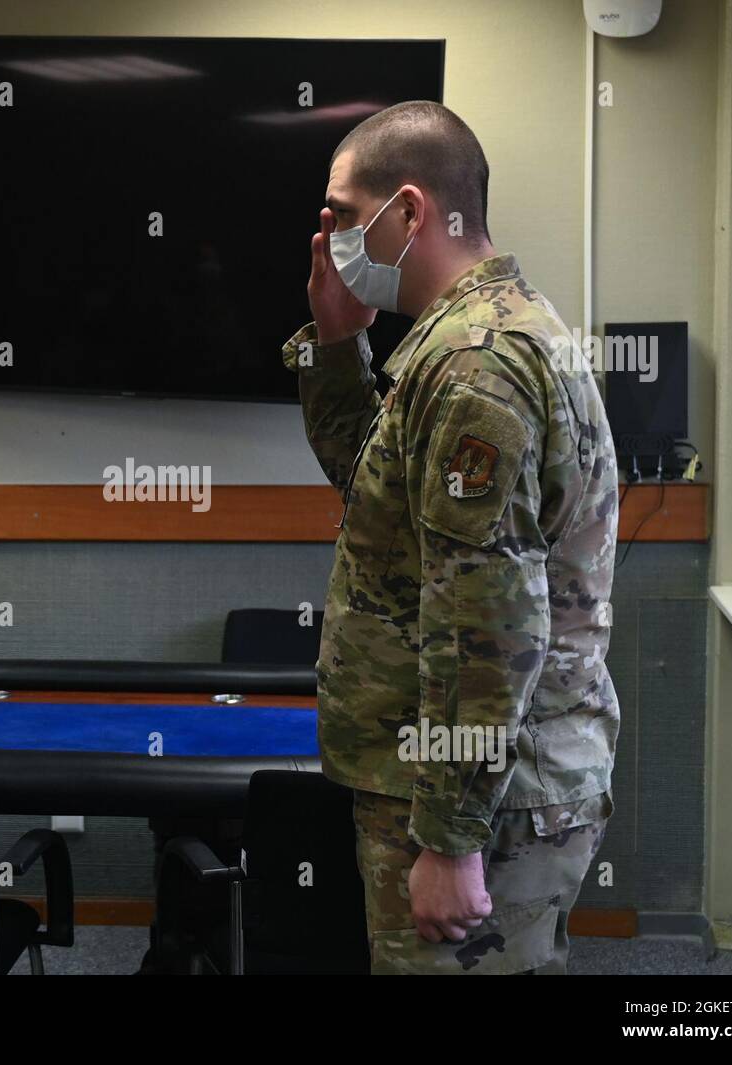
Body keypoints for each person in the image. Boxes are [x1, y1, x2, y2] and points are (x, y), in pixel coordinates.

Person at [283, 101, 619, 974]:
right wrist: (334, 345)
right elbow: (381, 501)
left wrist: (451, 840)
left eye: (347, 218)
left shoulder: (476, 363)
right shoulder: (467, 339)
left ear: (409, 211)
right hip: (479, 788)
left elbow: (490, 625)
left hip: (482, 806)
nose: (335, 238)